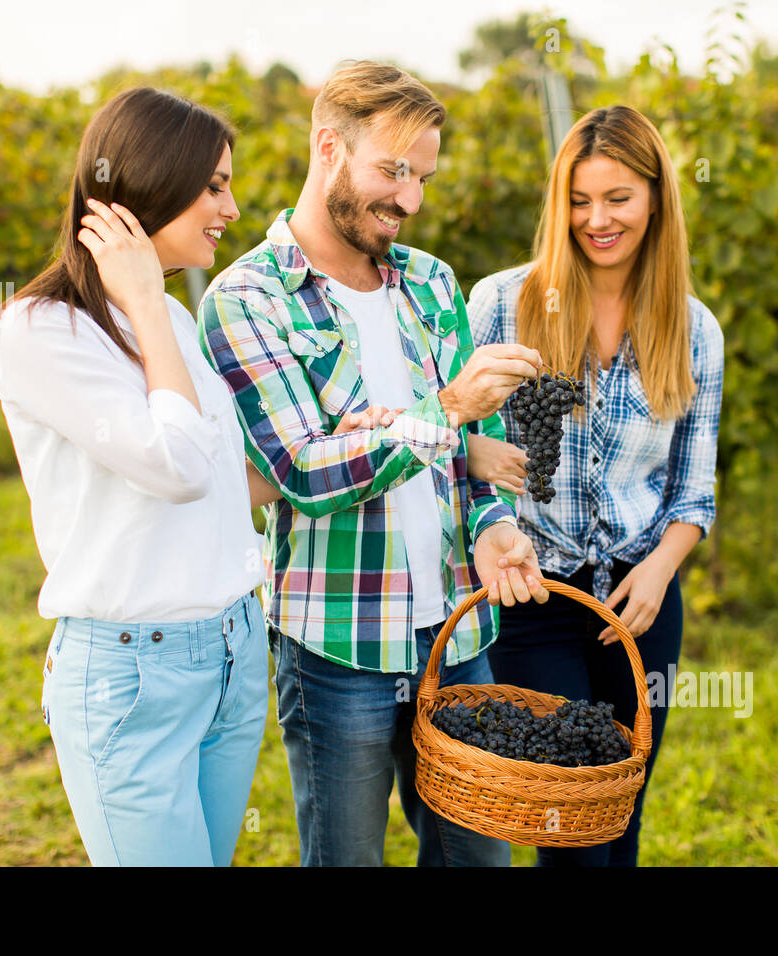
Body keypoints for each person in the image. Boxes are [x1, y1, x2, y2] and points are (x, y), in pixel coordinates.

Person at [0, 87, 384, 866]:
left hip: (230, 652)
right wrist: (136, 290)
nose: (231, 207)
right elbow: (176, 470)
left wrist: (349, 439)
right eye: (213, 186)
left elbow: (224, 478)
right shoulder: (42, 331)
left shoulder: (166, 319)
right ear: (147, 187)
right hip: (133, 675)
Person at [197, 60, 550, 867]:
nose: (411, 199)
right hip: (337, 647)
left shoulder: (431, 282)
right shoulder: (248, 298)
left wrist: (492, 526)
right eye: (393, 170)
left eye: (422, 176)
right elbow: (307, 474)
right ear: (329, 149)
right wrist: (446, 414)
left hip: (461, 631)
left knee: (477, 859)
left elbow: (472, 452)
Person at [465, 105, 725, 866]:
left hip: (642, 605)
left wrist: (659, 571)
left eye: (618, 198)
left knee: (621, 816)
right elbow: (459, 449)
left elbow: (694, 490)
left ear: (655, 197)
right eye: (579, 200)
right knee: (568, 826)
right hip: (531, 599)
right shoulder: (504, 305)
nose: (596, 219)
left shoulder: (692, 328)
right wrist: (480, 480)